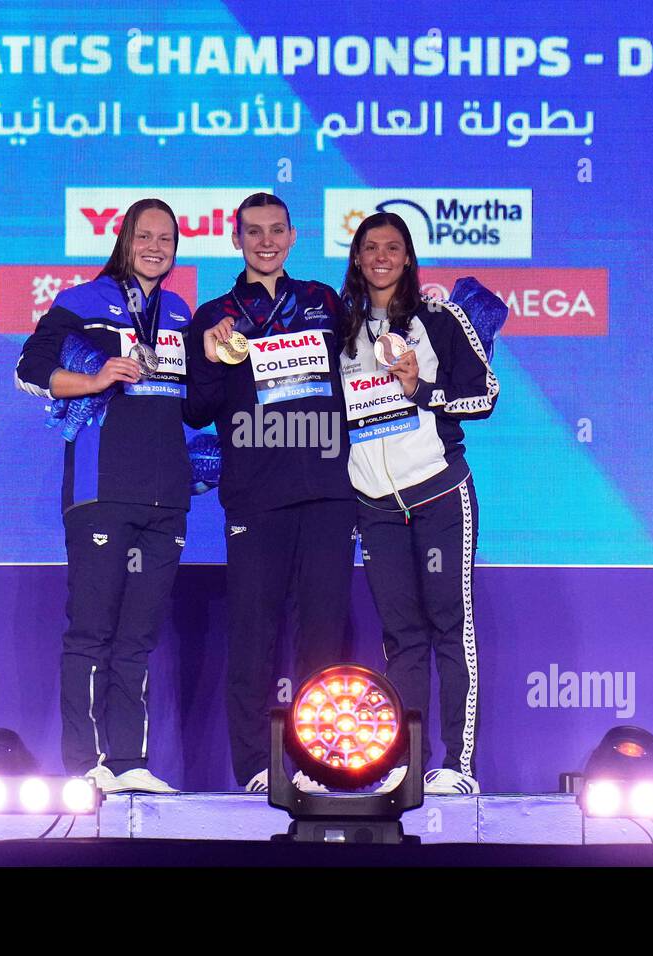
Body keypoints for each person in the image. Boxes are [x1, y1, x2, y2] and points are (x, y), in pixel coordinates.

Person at [15, 199, 192, 794]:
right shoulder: (82, 301)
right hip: (102, 489)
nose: (155, 246)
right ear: (124, 239)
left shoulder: (179, 311)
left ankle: (129, 762)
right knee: (92, 630)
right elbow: (29, 369)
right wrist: (94, 379)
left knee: (138, 636)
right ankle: (84, 768)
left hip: (166, 494)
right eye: (145, 235)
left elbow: (191, 399)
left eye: (166, 237)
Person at [185, 193, 355, 793]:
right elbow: (198, 407)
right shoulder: (213, 314)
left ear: (293, 236)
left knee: (323, 636)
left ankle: (319, 761)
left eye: (276, 231)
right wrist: (208, 357)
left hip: (329, 491)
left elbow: (367, 363)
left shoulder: (325, 302)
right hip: (255, 495)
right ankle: (256, 766)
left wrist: (426, 309)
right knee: (253, 635)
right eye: (252, 232)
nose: (265, 241)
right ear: (235, 239)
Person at [337, 213, 499, 795]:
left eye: (393, 248)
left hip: (438, 494)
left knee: (450, 630)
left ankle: (457, 766)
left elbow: (484, 395)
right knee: (400, 636)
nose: (381, 257)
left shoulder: (439, 317)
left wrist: (420, 390)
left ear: (408, 258)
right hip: (374, 505)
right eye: (370, 247)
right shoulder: (339, 324)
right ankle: (407, 765)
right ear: (356, 257)